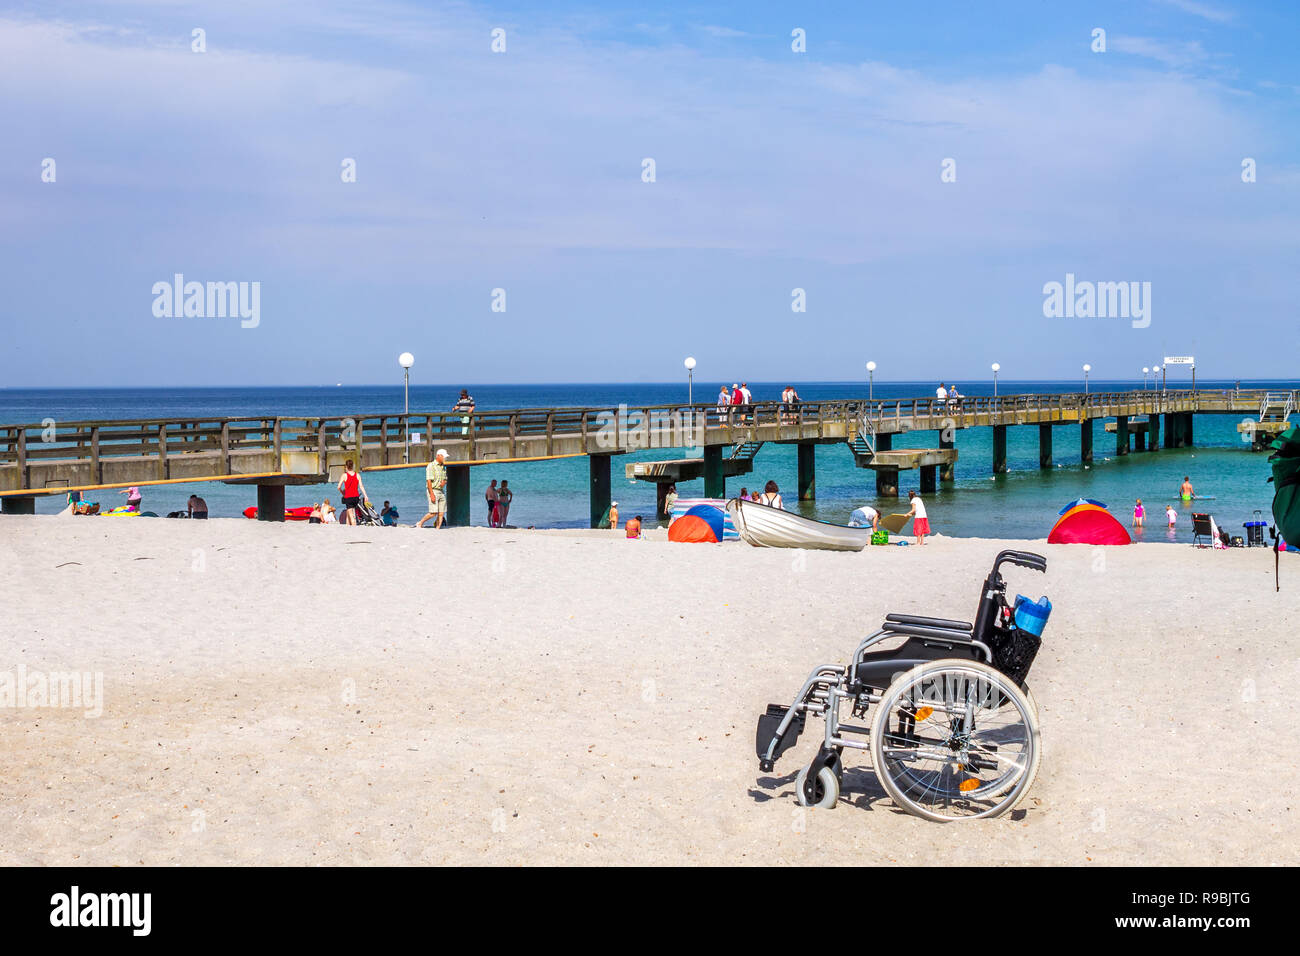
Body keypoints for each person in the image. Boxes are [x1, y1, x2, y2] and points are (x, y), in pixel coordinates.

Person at [417, 449, 449, 528]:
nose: (445, 458)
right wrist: (431, 494)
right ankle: (420, 523)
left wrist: (444, 482)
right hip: (433, 490)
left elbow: (445, 478)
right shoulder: (431, 466)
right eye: (444, 457)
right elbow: (428, 481)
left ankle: (437, 528)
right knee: (433, 512)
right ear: (438, 456)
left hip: (441, 491)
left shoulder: (443, 466)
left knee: (441, 512)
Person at [337, 459, 367, 525]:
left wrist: (343, 493)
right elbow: (361, 486)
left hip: (349, 497)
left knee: (352, 516)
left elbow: (338, 487)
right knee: (348, 513)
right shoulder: (357, 475)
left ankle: (354, 528)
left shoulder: (344, 475)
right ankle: (348, 527)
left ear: (346, 466)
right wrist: (365, 496)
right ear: (352, 466)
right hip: (356, 497)